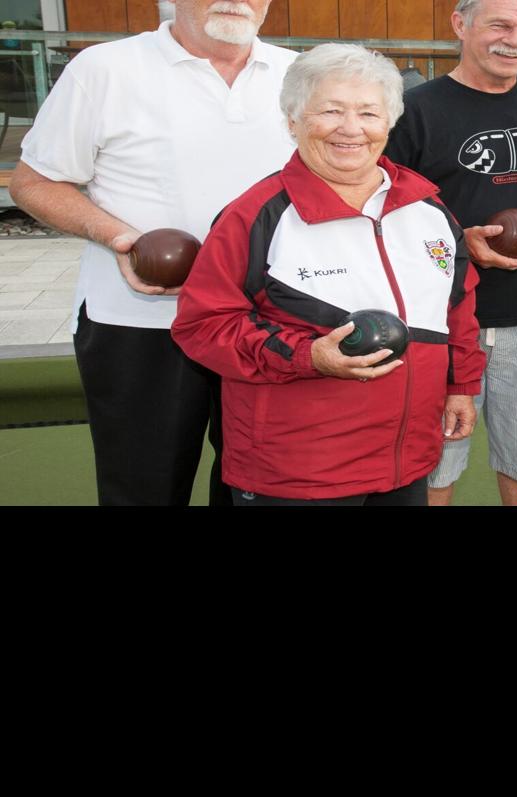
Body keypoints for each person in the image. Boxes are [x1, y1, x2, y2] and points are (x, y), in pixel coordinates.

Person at [169, 44, 485, 505]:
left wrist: (459, 387)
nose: (351, 129)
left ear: (389, 122)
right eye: (331, 111)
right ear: (293, 121)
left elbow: (456, 309)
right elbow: (202, 325)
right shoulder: (255, 215)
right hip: (298, 472)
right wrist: (307, 356)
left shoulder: (428, 209)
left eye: (369, 113)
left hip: (406, 461)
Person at [10, 0, 296, 505]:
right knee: (144, 489)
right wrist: (117, 237)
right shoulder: (104, 69)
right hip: (141, 323)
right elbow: (34, 182)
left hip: (265, 323)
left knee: (262, 490)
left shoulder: (297, 74)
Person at [384, 0, 517, 506]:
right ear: (461, 25)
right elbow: (385, 213)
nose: (515, 39)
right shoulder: (412, 111)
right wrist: (459, 244)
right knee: (433, 458)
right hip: (440, 316)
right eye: (499, 24)